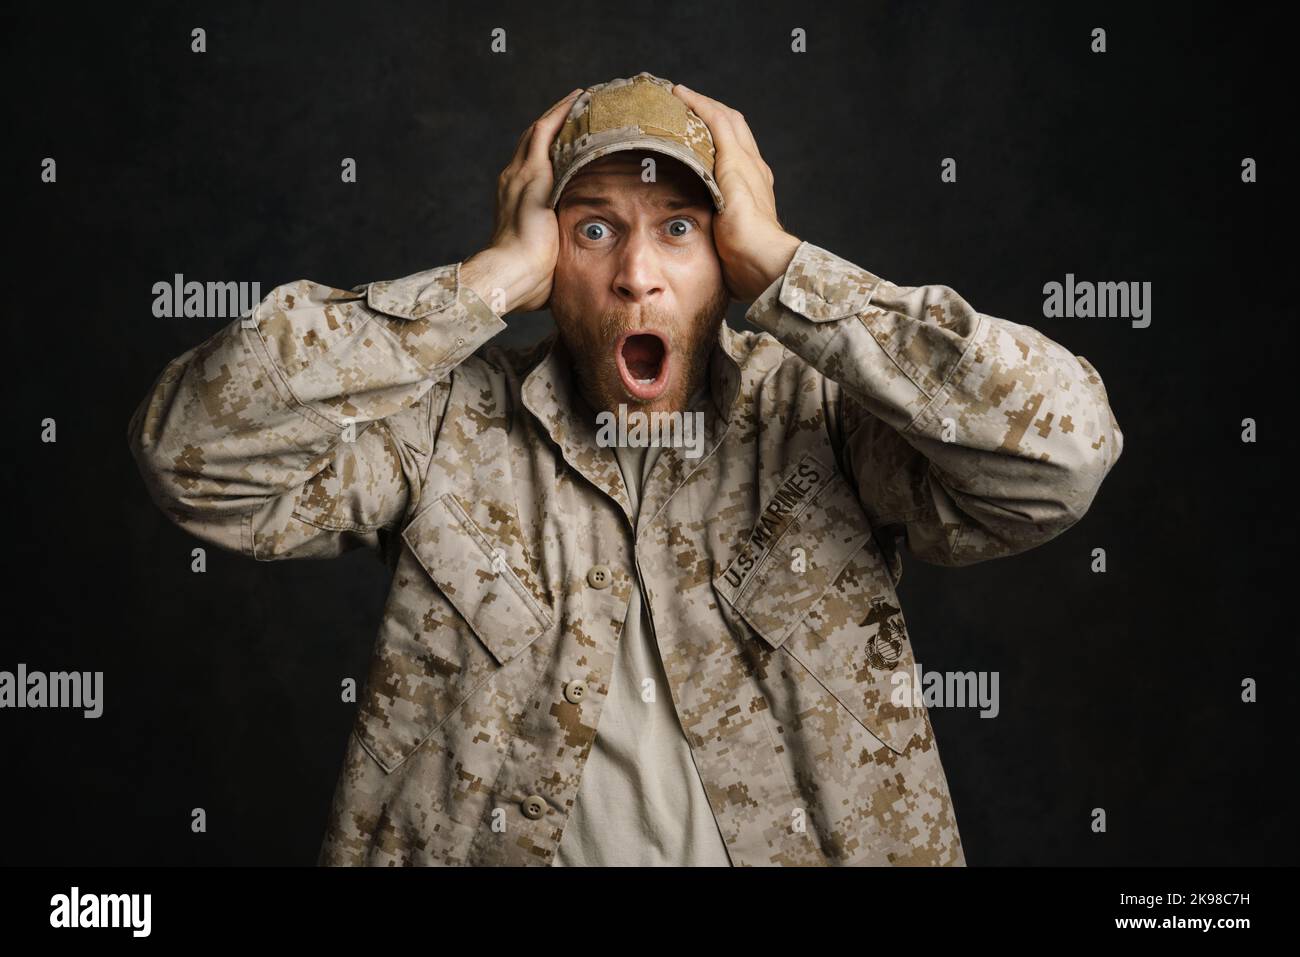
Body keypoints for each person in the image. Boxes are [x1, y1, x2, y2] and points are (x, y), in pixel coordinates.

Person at [127, 72, 1124, 866]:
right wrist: (481, 285)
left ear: (724, 257)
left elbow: (1062, 453)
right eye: (592, 229)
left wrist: (785, 269)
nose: (636, 273)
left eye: (680, 230)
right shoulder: (444, 430)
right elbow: (192, 457)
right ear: (546, 253)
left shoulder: (822, 420)